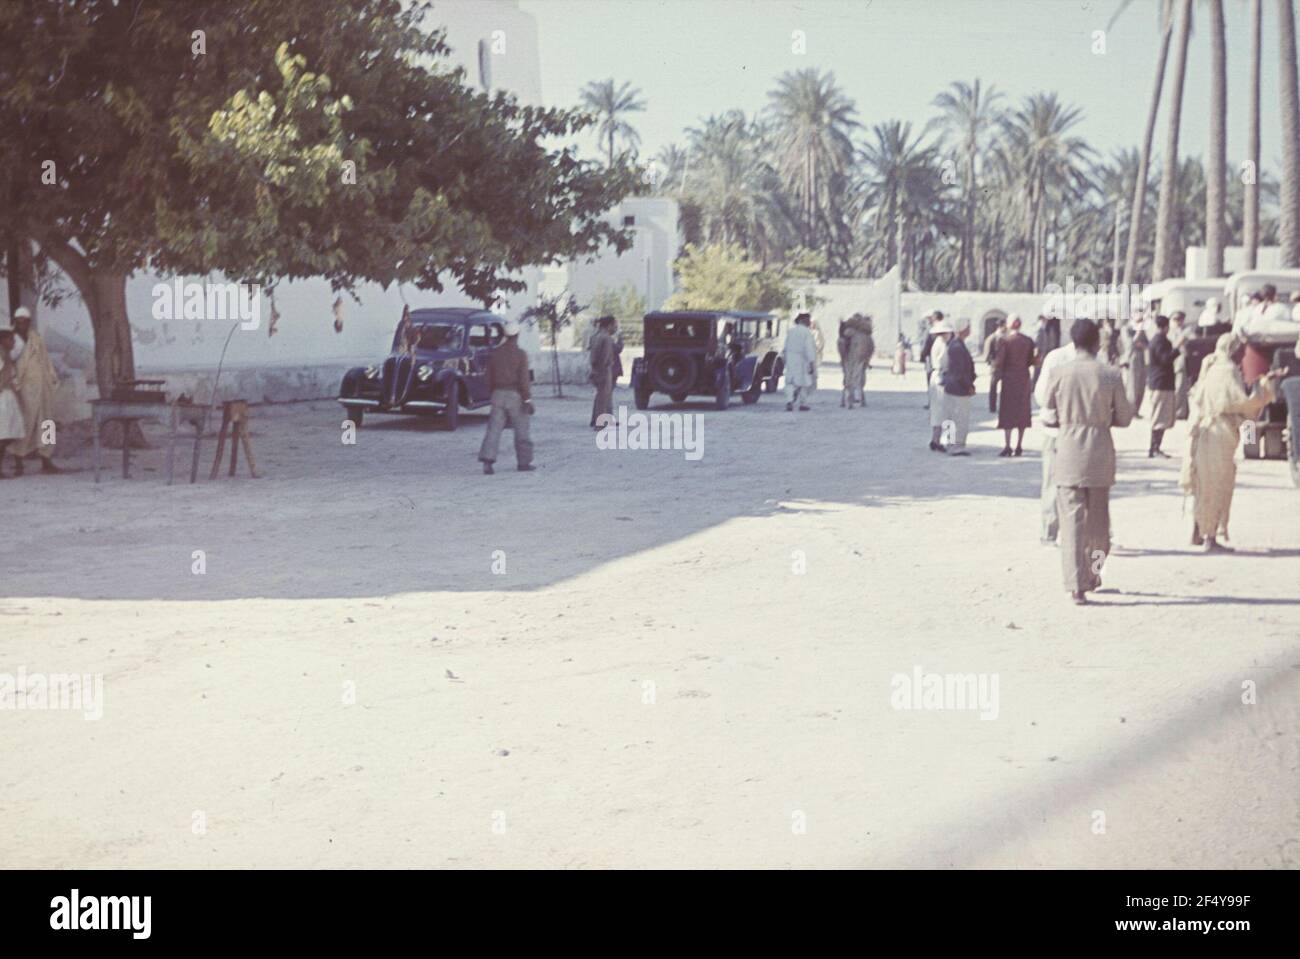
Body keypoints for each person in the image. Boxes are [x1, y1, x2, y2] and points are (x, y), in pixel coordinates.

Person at [1045, 319, 1133, 605]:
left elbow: (1048, 411)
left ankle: (1075, 585)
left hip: (1068, 452)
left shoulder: (1059, 373)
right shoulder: (1110, 374)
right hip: (1099, 453)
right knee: (1098, 525)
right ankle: (1094, 575)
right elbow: (1125, 417)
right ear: (1097, 342)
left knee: (1071, 524)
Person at [1179, 333, 1282, 551]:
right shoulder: (1227, 370)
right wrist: (1265, 388)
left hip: (1204, 433)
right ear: (1233, 349)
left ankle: (1198, 532)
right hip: (1219, 435)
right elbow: (1240, 404)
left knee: (1202, 483)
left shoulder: (1211, 367)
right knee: (1217, 485)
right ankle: (1210, 538)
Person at [1034, 334, 1078, 545]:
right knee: (1053, 482)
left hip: (1078, 432)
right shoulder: (1057, 358)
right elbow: (1042, 395)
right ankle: (1050, 532)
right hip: (1057, 431)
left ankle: (1074, 533)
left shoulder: (1097, 360)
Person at [477, 318, 534, 474]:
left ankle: (487, 462)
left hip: (497, 394)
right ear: (517, 335)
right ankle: (523, 463)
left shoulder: (495, 353)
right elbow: (524, 379)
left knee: (493, 430)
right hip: (515, 395)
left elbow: (488, 377)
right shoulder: (521, 354)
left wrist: (492, 393)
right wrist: (527, 399)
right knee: (522, 430)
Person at [9, 306, 60, 475]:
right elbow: (9, 362)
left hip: (43, 386)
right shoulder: (10, 339)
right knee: (24, 423)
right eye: (19, 321)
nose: (22, 324)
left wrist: (52, 376)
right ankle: (18, 462)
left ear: (29, 322)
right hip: (24, 388)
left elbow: (45, 358)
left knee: (47, 422)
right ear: (15, 322)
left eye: (25, 321)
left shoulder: (35, 337)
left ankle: (47, 459)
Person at [994, 313, 1035, 456]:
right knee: (1022, 411)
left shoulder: (1004, 341)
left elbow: (1000, 361)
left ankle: (1007, 445)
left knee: (1008, 411)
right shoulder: (1028, 341)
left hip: (1009, 379)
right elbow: (1031, 360)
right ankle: (1019, 445)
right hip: (1023, 378)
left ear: (1009, 324)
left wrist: (996, 375)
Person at [939, 317, 977, 455]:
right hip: (958, 388)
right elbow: (960, 371)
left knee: (952, 417)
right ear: (964, 329)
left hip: (953, 386)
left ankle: (950, 443)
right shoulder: (957, 346)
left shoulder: (956, 344)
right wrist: (969, 386)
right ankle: (956, 445)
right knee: (959, 418)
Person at [1144, 315, 1177, 457]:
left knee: (1161, 417)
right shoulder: (1160, 341)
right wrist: (1178, 349)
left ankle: (1155, 447)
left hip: (1161, 383)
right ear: (1165, 327)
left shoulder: (1156, 340)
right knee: (1159, 417)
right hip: (1161, 383)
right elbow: (1165, 359)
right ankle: (1154, 448)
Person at [0, 324, 25, 478]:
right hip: (2, 398)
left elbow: (13, 378)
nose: (14, 343)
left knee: (10, 433)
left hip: (8, 398)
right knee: (3, 434)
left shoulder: (7, 356)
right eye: (11, 340)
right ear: (3, 340)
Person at [588, 315, 621, 429]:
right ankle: (600, 424)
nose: (614, 328)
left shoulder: (595, 336)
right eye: (613, 325)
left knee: (600, 396)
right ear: (609, 325)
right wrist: (602, 370)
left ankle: (597, 421)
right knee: (604, 397)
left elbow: (593, 355)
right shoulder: (606, 338)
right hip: (604, 370)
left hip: (596, 368)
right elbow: (605, 357)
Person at [927, 319, 954, 450]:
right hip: (942, 377)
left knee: (937, 410)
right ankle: (947, 440)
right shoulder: (942, 345)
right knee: (947, 410)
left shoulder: (937, 343)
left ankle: (935, 439)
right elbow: (944, 362)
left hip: (935, 377)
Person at [782, 312, 818, 411]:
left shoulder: (791, 331)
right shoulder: (806, 332)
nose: (810, 322)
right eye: (808, 320)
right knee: (804, 381)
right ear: (804, 321)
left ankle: (789, 401)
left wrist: (785, 359)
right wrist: (811, 362)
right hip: (802, 360)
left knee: (790, 381)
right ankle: (803, 403)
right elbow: (809, 348)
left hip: (790, 358)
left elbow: (785, 347)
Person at [840, 313, 874, 408]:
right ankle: (855, 399)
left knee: (848, 376)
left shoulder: (845, 335)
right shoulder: (865, 337)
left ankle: (845, 400)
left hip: (848, 358)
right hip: (859, 358)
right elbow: (869, 350)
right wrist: (867, 361)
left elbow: (841, 349)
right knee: (858, 377)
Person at [1120, 314, 1148, 417]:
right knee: (1132, 385)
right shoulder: (1126, 329)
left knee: (1141, 385)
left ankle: (1136, 410)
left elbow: (1147, 344)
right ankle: (1130, 410)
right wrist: (1138, 334)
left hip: (1141, 357)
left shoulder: (1142, 330)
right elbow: (1129, 344)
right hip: (1131, 358)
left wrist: (1141, 343)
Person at [1169, 311, 1191, 419]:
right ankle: (1179, 411)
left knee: (1181, 387)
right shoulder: (1170, 332)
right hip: (1172, 362)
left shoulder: (1186, 331)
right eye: (1175, 319)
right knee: (1176, 388)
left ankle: (1180, 412)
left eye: (1179, 319)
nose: (1177, 322)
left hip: (1181, 362)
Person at [982, 317, 1007, 413]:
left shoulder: (1006, 337)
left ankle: (1004, 406)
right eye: (1005, 326)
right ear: (1001, 326)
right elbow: (988, 353)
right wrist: (993, 362)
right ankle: (992, 407)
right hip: (996, 367)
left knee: (1005, 388)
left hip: (1005, 366)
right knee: (993, 387)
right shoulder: (992, 337)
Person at [920, 311, 943, 408]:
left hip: (931, 360)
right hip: (945, 359)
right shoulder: (948, 329)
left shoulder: (931, 331)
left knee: (931, 382)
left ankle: (932, 402)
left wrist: (922, 358)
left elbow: (925, 346)